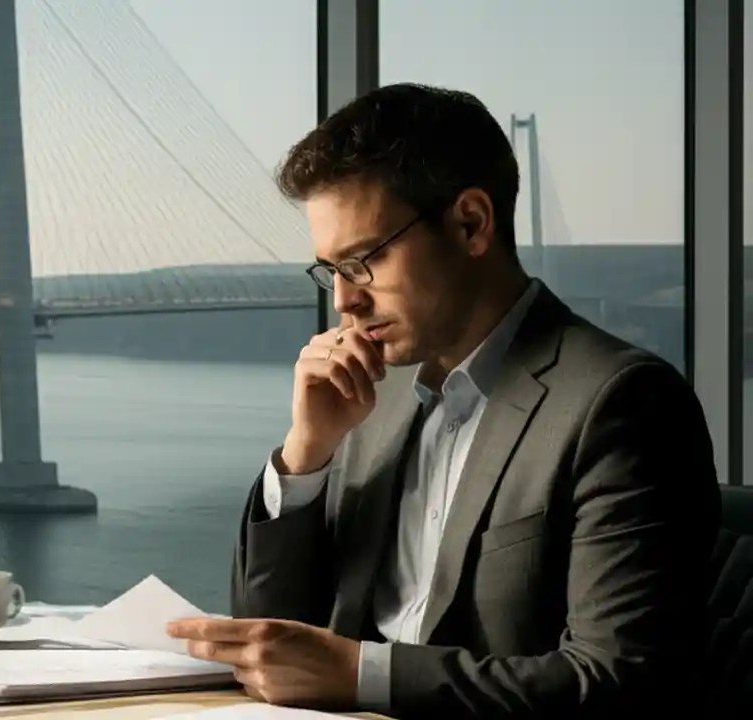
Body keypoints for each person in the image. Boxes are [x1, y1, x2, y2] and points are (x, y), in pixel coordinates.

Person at [165, 83, 720, 719]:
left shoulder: (622, 403)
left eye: (364, 260)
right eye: (330, 270)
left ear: (471, 223)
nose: (344, 301)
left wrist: (362, 675)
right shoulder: (373, 392)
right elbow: (274, 644)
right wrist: (306, 456)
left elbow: (619, 683)